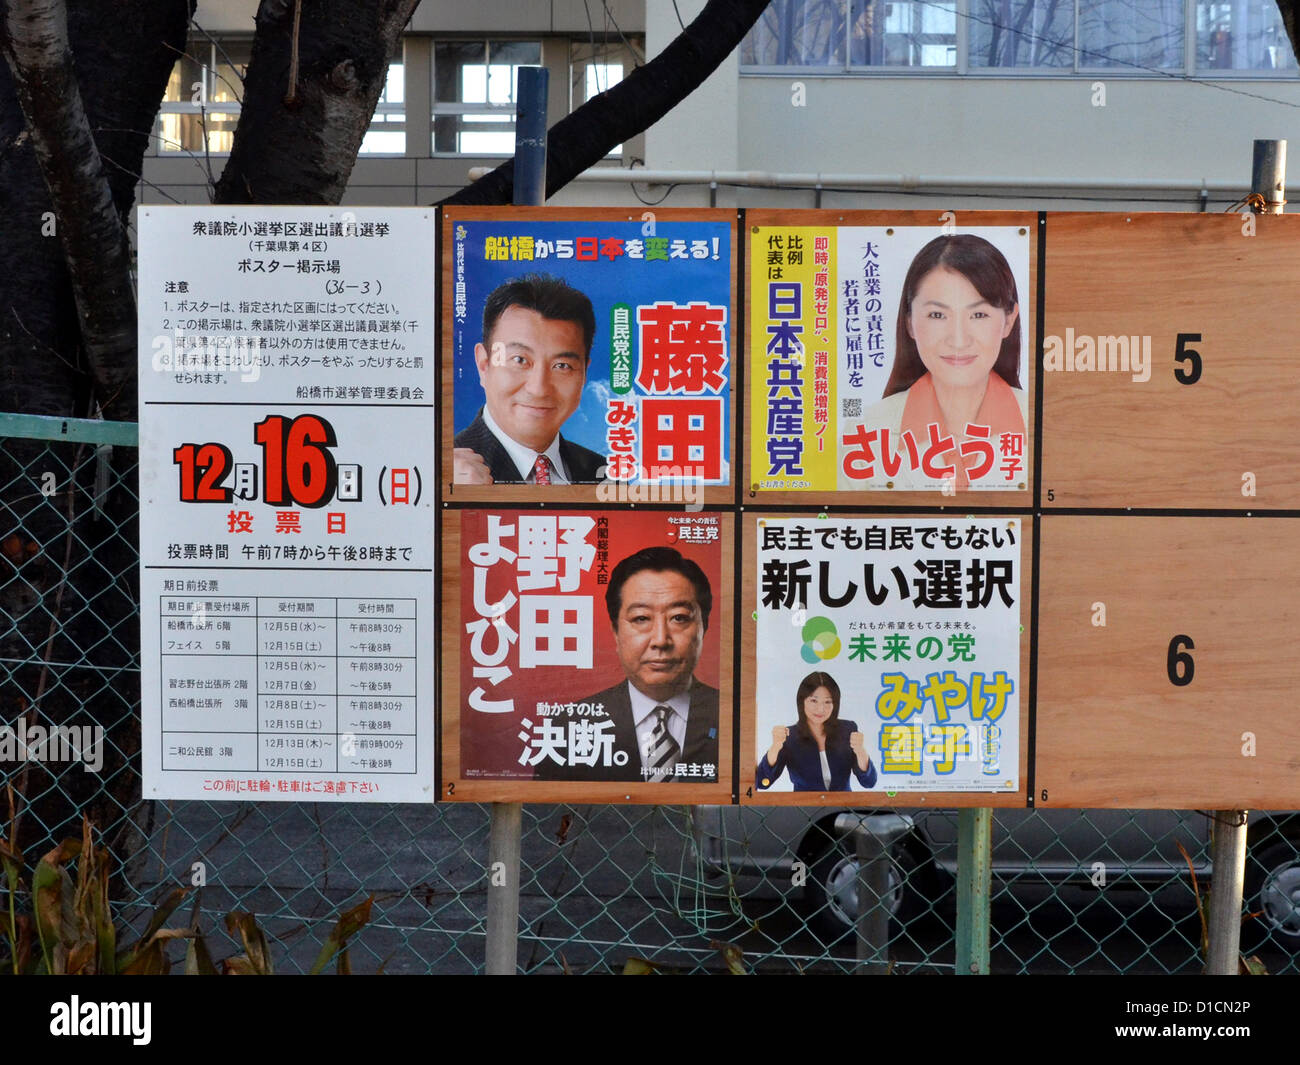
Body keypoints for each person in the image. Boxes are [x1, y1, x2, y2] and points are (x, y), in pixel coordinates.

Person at [534, 546, 718, 783]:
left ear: (704, 627)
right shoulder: (569, 726)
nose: (661, 640)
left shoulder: (736, 719)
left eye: (679, 618)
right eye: (641, 619)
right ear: (616, 632)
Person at [856, 234, 1026, 489]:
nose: (958, 340)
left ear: (1009, 321)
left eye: (979, 314)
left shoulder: (1048, 428)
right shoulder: (861, 434)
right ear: (909, 322)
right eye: (937, 315)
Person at [454, 273, 606, 484]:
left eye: (562, 366)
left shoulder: (604, 474)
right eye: (519, 360)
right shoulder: (443, 471)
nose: (539, 388)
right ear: (483, 365)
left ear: (584, 373)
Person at [755, 671, 876, 792]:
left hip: (843, 807)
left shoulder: (847, 729)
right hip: (806, 809)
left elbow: (869, 782)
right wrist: (775, 746)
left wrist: (860, 750)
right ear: (802, 701)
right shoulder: (789, 736)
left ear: (835, 704)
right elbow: (762, 782)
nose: (820, 709)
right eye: (814, 701)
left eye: (828, 702)